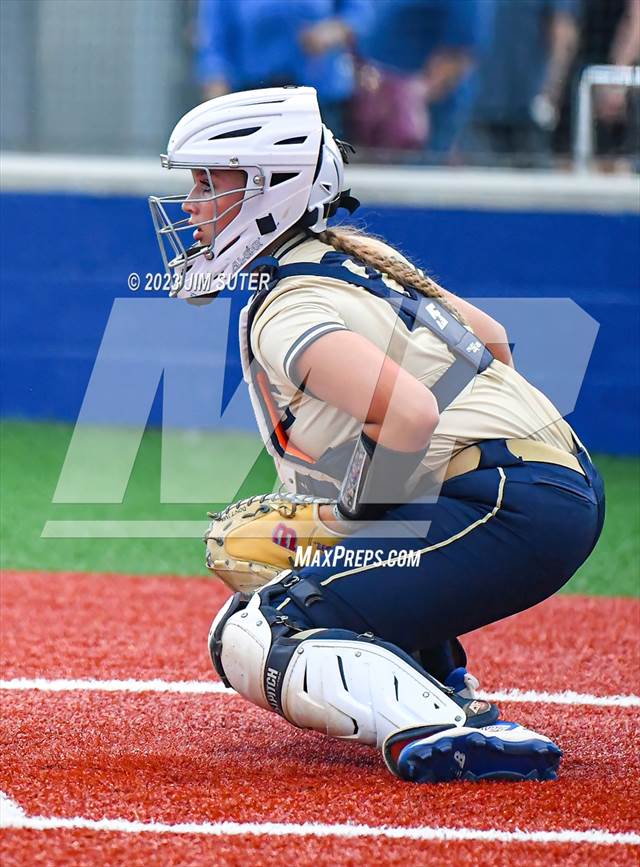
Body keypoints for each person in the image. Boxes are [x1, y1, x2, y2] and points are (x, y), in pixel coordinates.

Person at [149, 87, 605, 783]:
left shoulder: (287, 304)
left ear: (270, 191)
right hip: (549, 486)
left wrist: (343, 518)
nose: (190, 204)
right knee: (330, 573)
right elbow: (490, 342)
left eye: (210, 183)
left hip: (509, 501)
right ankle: (439, 684)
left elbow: (408, 414)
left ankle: (452, 729)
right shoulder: (353, 256)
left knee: (262, 625)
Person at [194, 0, 373, 139]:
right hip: (255, 104)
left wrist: (334, 30)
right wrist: (218, 115)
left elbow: (361, 12)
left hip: (319, 100)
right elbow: (214, 46)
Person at [465, 0, 579, 167]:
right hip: (477, 110)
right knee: (479, 180)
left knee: (535, 181)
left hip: (529, 109)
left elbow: (563, 33)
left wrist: (550, 93)